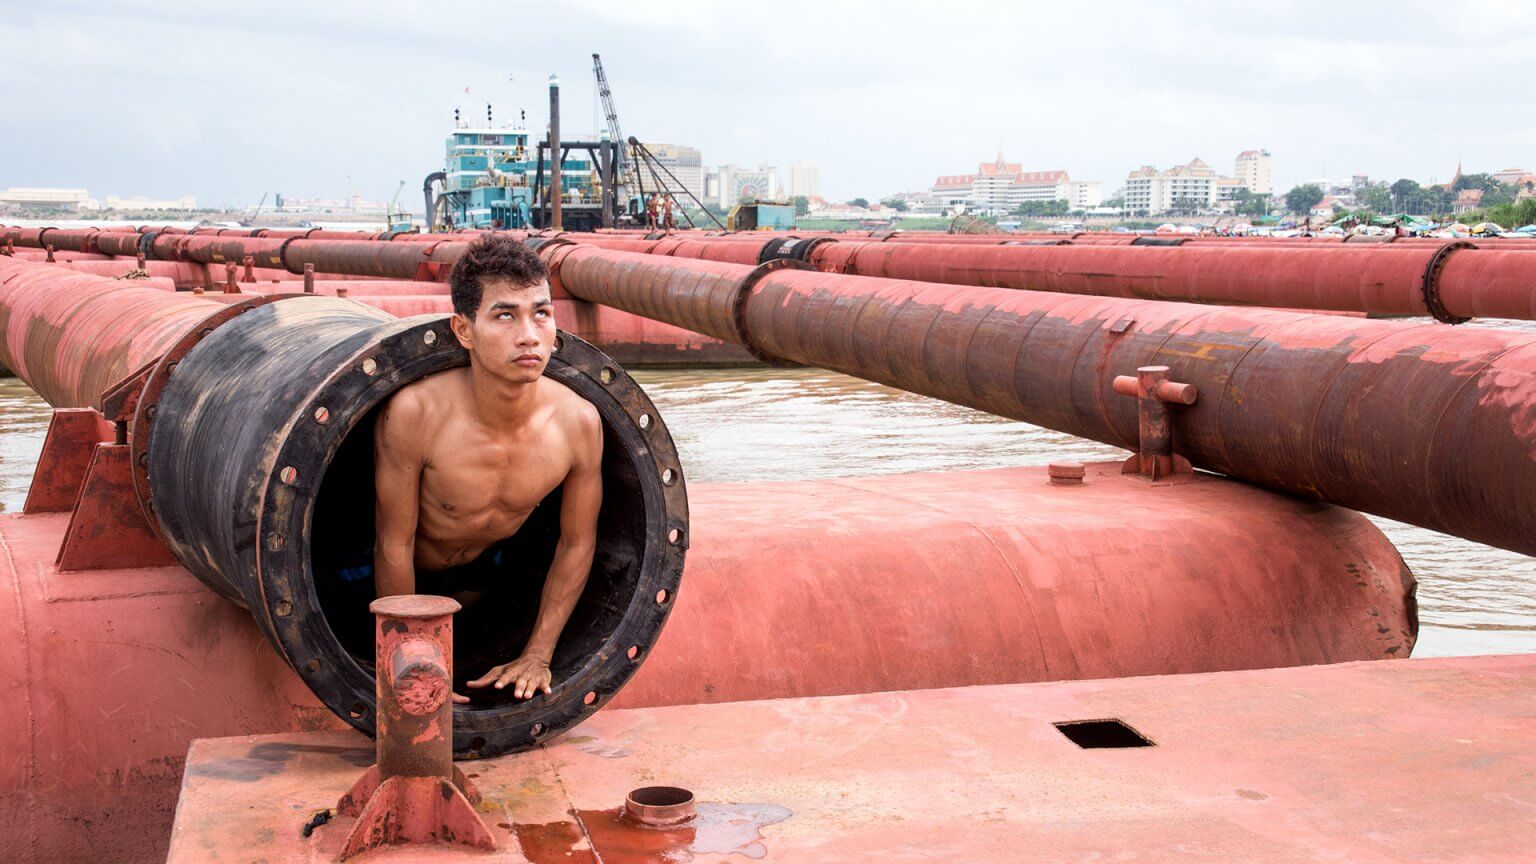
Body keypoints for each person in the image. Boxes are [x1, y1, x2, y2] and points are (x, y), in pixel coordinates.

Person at [372, 234, 603, 701]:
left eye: (541, 312)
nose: (529, 336)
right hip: (390, 580)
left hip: (487, 582)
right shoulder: (416, 413)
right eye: (505, 315)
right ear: (463, 330)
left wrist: (538, 654)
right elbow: (391, 543)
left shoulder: (579, 422)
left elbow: (577, 542)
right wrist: (414, 657)